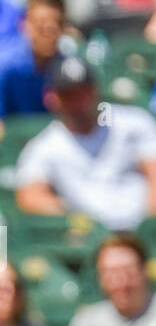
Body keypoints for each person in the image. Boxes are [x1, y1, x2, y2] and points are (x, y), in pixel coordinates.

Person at [14, 57, 156, 232]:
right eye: (68, 94)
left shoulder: (134, 122)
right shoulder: (44, 146)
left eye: (83, 92)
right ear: (51, 97)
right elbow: (29, 196)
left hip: (142, 228)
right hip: (90, 238)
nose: (77, 101)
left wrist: (149, 227)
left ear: (95, 91)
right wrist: (73, 215)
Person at [0, 0, 67, 144]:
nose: (50, 33)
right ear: (24, 25)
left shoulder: (67, 65)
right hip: (4, 151)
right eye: (42, 27)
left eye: (56, 26)